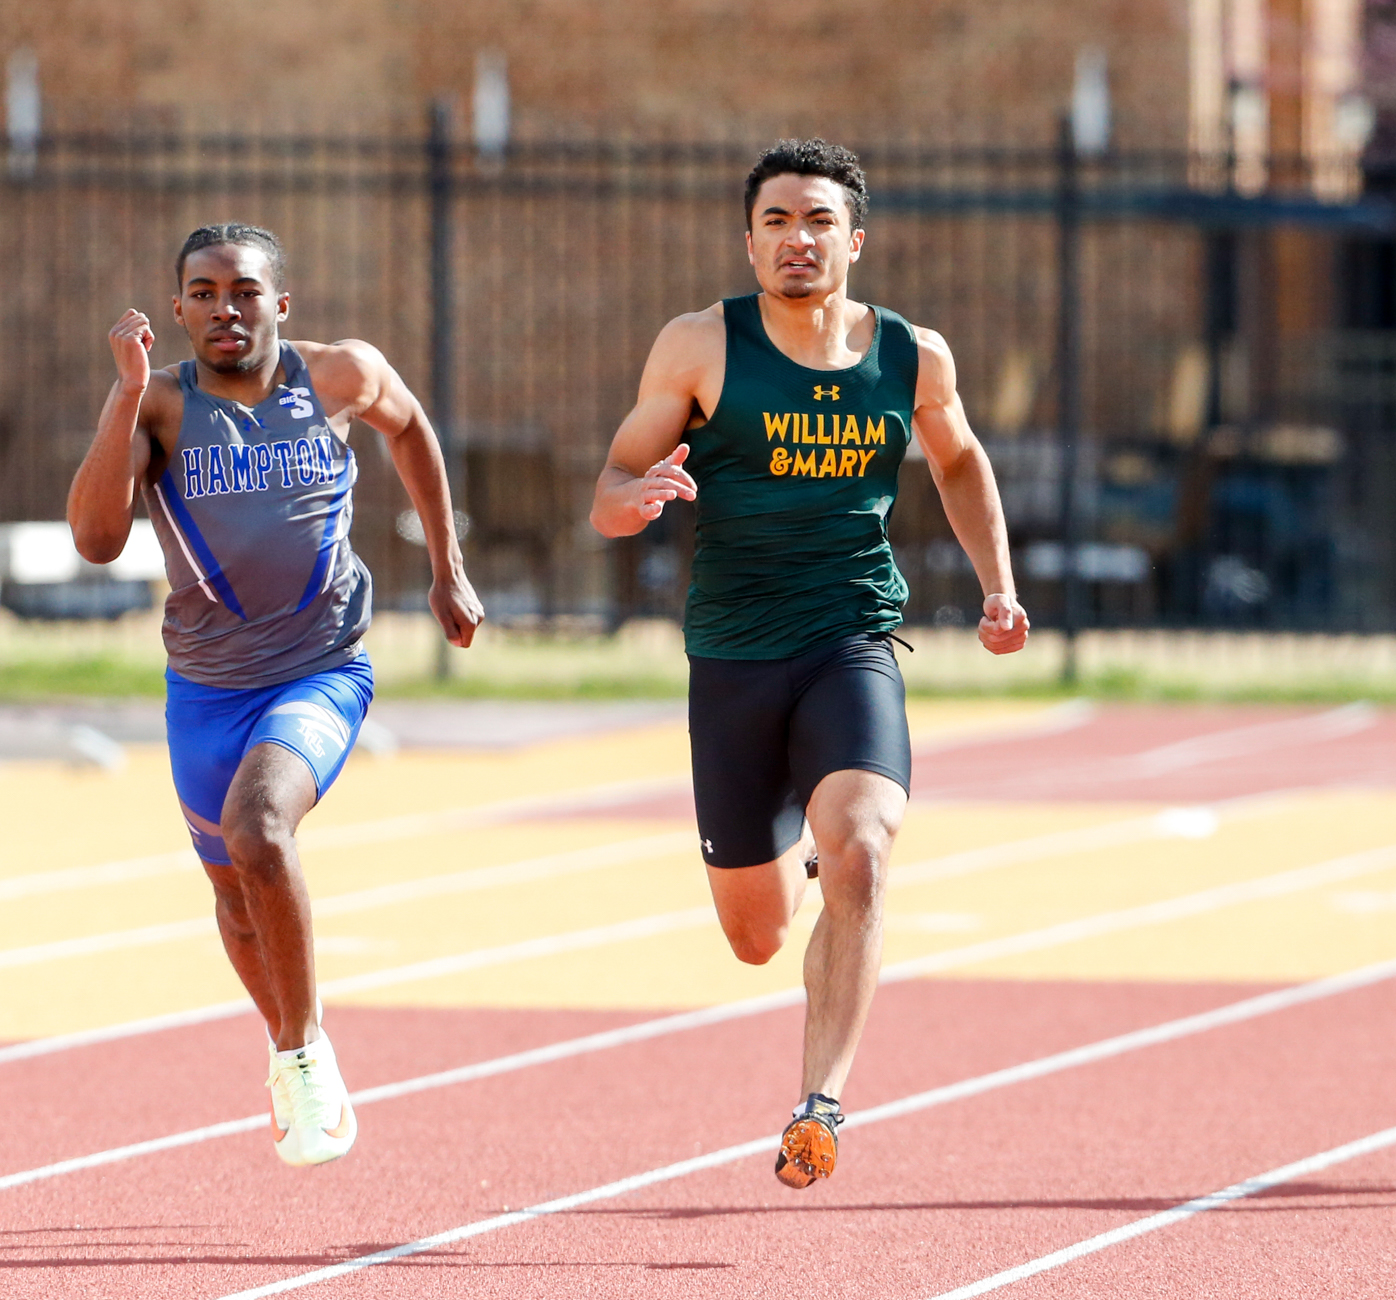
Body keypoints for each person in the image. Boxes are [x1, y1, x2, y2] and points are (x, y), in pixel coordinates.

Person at [590, 139, 1029, 1189]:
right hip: (733, 654)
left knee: (867, 845)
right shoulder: (699, 347)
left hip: (848, 637)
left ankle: (818, 1101)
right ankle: (801, 850)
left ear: (854, 240)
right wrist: (635, 500)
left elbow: (960, 458)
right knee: (753, 936)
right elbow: (608, 486)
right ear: (750, 242)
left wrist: (997, 584)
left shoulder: (911, 354)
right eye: (777, 221)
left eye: (817, 220)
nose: (797, 239)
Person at [68, 223, 483, 1167]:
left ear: (279, 305)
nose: (226, 308)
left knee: (260, 830)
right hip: (206, 690)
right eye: (204, 292)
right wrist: (124, 396)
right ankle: (299, 1039)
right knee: (233, 895)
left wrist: (446, 568)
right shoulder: (161, 406)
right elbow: (96, 540)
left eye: (245, 291)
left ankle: (300, 1055)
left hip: (321, 666)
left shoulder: (337, 376)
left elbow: (412, 427)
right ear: (177, 310)